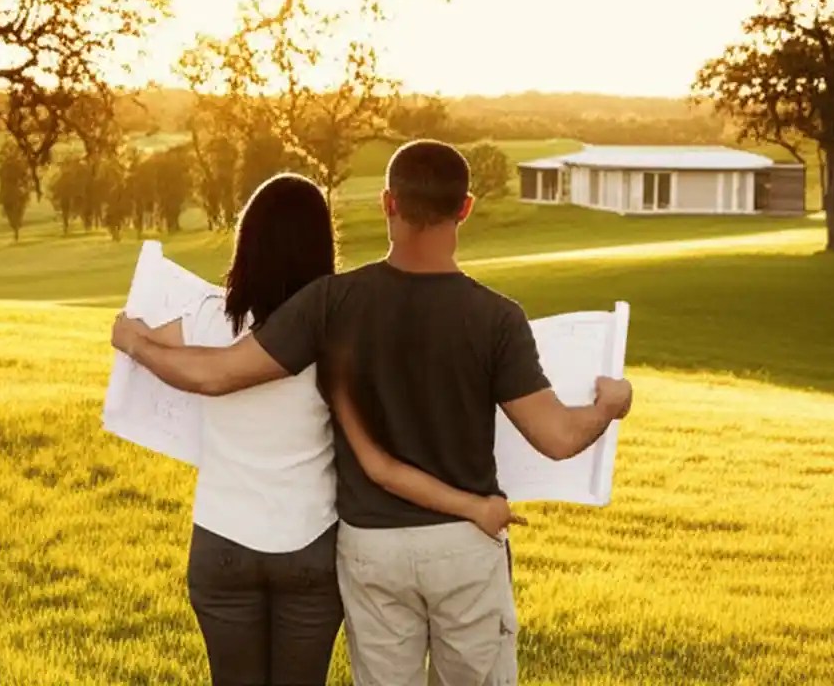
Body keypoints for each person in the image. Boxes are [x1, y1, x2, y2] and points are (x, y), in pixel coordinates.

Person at [112, 143, 634, 685]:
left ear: (388, 203)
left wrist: (137, 343)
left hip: (369, 547)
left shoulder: (332, 303)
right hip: (459, 545)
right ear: (466, 208)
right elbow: (556, 436)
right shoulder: (496, 317)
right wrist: (609, 406)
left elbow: (218, 372)